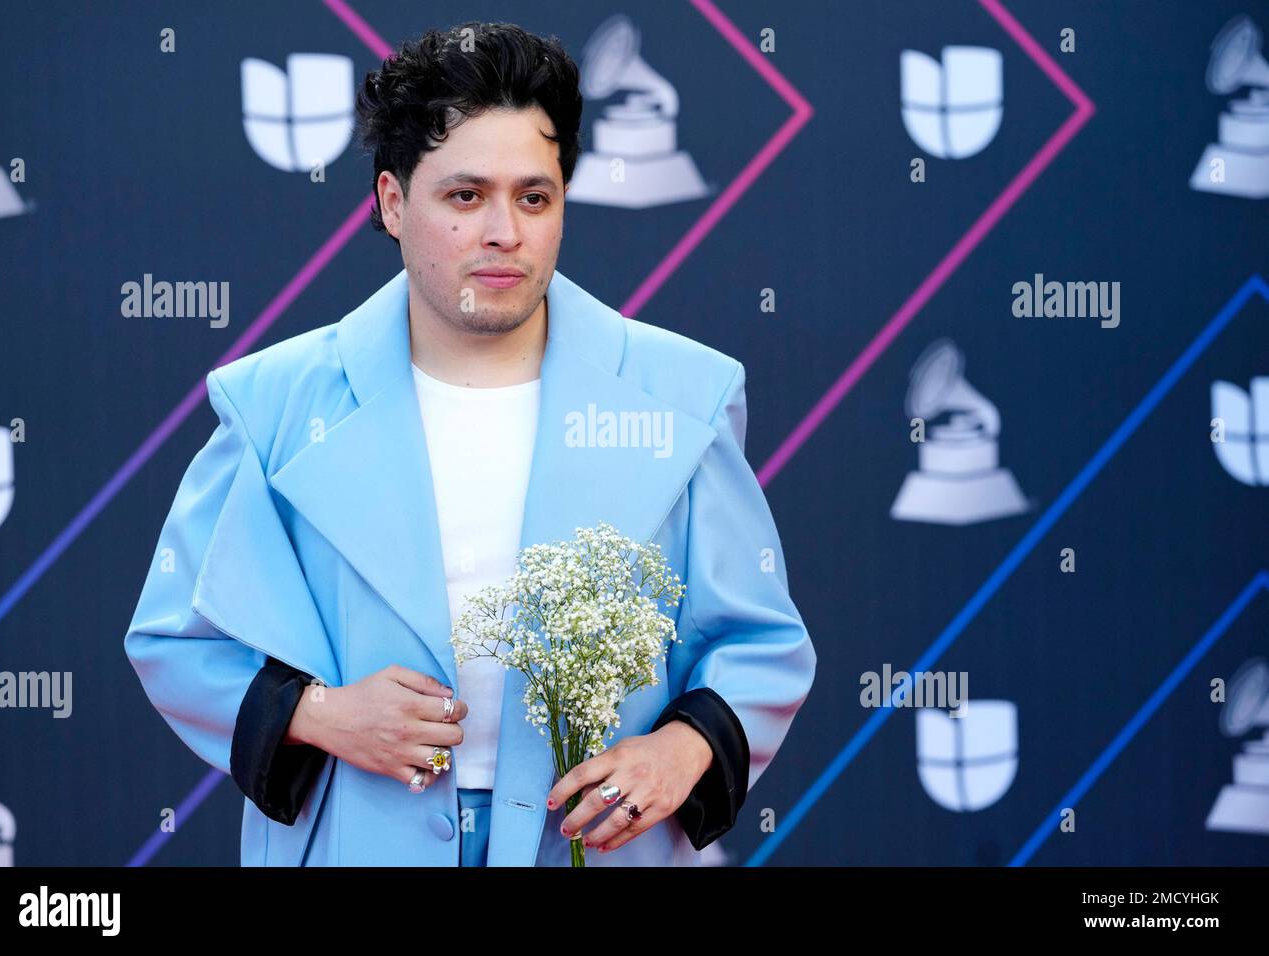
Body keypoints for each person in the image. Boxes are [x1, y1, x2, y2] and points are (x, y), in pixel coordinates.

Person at [123, 20, 816, 867]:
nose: (504, 232)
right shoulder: (273, 402)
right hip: (354, 841)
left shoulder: (683, 395)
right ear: (390, 203)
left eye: (535, 196)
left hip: (596, 848)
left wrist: (682, 748)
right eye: (464, 196)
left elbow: (761, 642)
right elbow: (176, 640)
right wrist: (321, 714)